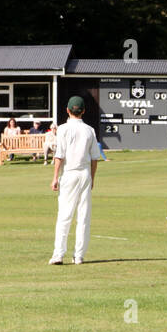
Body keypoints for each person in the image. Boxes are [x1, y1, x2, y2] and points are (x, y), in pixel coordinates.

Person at [49, 96, 103, 265]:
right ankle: (78, 255)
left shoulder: (63, 129)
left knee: (65, 215)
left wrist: (55, 177)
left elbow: (59, 155)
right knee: (83, 216)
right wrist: (92, 178)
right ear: (83, 111)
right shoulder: (90, 130)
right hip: (84, 174)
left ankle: (59, 254)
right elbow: (95, 158)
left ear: (67, 110)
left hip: (70, 173)